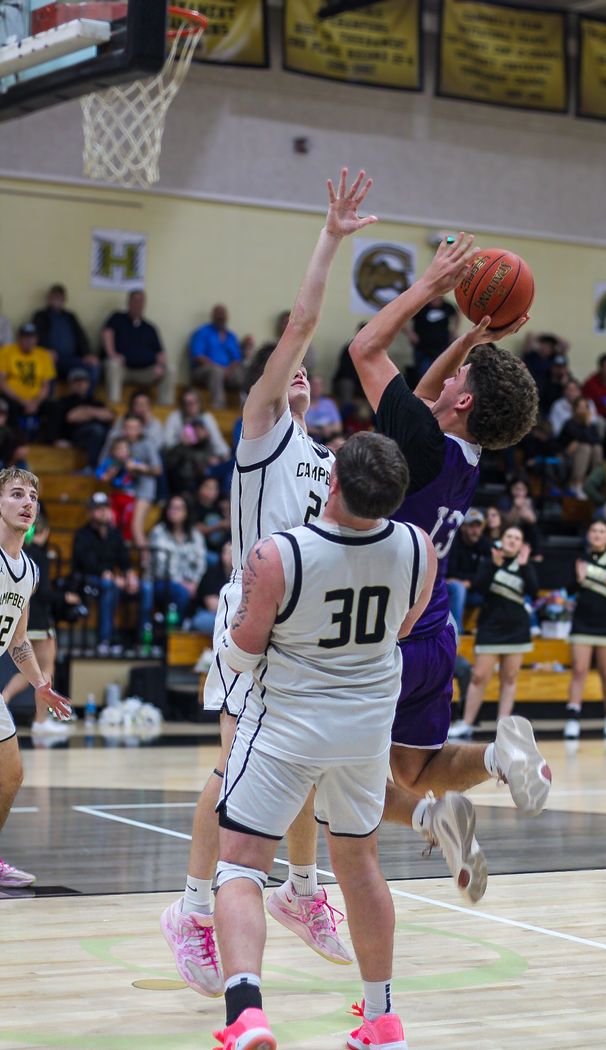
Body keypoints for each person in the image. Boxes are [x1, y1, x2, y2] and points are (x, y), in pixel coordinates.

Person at [161, 168, 380, 998]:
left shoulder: (333, 461)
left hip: (311, 628)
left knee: (304, 768)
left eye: (303, 374)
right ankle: (191, 909)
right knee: (236, 772)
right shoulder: (262, 435)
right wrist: (330, 237)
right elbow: (303, 321)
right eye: (285, 369)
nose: (297, 374)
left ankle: (300, 888)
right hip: (255, 616)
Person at [211, 432, 437, 1050]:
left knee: (240, 863)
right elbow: (402, 627)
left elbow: (243, 651)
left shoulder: (278, 554)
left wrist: (223, 636)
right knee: (360, 864)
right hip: (365, 730)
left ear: (331, 481)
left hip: (286, 727)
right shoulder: (420, 547)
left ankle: (246, 1013)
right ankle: (383, 1018)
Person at [349, 233, 551, 830]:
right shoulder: (464, 453)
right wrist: (466, 341)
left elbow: (366, 349)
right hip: (435, 629)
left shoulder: (422, 441)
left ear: (462, 400)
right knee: (416, 769)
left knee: (330, 766)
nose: (455, 370)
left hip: (386, 628)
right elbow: (419, 401)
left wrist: (432, 286)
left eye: (461, 372)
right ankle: (500, 756)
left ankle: (421, 826)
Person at [0, 467, 72, 889]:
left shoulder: (28, 570)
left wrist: (41, 684)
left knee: (11, 775)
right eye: (15, 494)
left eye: (32, 496)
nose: (27, 502)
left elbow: (19, 640)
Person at [450, 527, 537, 740]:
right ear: (501, 540)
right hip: (490, 627)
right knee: (479, 677)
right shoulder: (490, 560)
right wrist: (494, 566)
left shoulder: (525, 565)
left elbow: (533, 591)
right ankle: (466, 723)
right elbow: (479, 589)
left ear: (521, 544)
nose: (512, 540)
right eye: (509, 536)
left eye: (517, 537)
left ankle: (503, 726)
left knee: (509, 678)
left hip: (516, 629)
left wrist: (525, 566)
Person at [1, 514, 65, 738]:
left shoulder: (22, 556)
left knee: (31, 668)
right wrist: (66, 598)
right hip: (37, 619)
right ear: (45, 532)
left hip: (23, 616)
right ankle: (41, 720)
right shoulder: (40, 559)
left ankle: (5, 698)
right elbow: (46, 593)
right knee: (47, 669)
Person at [563, 520, 606, 740]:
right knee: (579, 671)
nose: (598, 534)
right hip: (582, 622)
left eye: (602, 531)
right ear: (589, 535)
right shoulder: (580, 559)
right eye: (594, 530)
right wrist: (579, 580)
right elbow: (568, 587)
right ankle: (573, 718)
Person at [69, 492, 144, 654]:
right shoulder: (82, 535)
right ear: (89, 512)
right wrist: (108, 574)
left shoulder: (115, 534)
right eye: (98, 509)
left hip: (111, 580)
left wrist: (130, 576)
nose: (103, 512)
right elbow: (86, 563)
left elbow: (124, 559)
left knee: (146, 588)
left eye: (106, 508)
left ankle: (142, 639)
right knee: (109, 585)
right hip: (86, 580)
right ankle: (105, 639)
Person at [101, 290, 174, 405]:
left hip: (145, 371)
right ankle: (114, 406)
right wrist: (112, 354)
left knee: (170, 369)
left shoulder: (150, 327)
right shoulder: (117, 318)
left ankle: (165, 407)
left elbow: (161, 353)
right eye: (135, 301)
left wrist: (160, 365)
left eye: (141, 302)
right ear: (128, 303)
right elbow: (107, 333)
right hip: (123, 369)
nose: (138, 304)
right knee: (112, 364)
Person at [145, 495, 207, 624]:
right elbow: (162, 566)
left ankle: (196, 626)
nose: (174, 511)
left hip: (190, 583)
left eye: (179, 508)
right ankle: (177, 631)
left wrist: (195, 583)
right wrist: (183, 584)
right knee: (181, 593)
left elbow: (201, 562)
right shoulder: (159, 532)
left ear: (186, 512)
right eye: (171, 507)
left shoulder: (195, 535)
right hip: (162, 582)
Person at [32, 283, 98, 386]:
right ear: (49, 298)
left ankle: (86, 399)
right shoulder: (40, 316)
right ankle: (50, 401)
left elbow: (81, 336)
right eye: (54, 296)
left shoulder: (70, 316)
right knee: (48, 367)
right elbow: (36, 336)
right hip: (50, 358)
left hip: (71, 359)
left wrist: (87, 354)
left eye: (60, 297)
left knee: (93, 366)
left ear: (64, 299)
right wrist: (46, 350)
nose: (57, 299)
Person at [50, 367, 114, 469]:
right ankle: (92, 466)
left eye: (83, 381)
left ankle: (110, 467)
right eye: (76, 381)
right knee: (96, 430)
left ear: (88, 384)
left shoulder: (94, 401)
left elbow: (109, 415)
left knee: (110, 432)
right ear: (70, 384)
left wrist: (86, 410)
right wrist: (95, 413)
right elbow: (72, 417)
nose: (80, 384)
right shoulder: (64, 401)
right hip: (75, 436)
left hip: (97, 434)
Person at [0, 323, 56, 433]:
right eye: (25, 337)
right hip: (13, 398)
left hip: (35, 400)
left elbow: (46, 386)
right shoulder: (6, 352)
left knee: (54, 407)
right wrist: (22, 401)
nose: (28, 341)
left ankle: (49, 441)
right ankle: (14, 440)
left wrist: (35, 402)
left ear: (36, 339)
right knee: (7, 406)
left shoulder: (43, 355)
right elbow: (1, 382)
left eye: (31, 337)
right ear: (19, 338)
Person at [189, 304, 247, 409]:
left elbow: (237, 359)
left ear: (227, 317)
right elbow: (198, 356)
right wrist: (220, 368)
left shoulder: (231, 336)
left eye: (223, 314)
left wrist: (229, 369)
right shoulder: (203, 332)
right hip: (203, 370)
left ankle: (245, 407)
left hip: (228, 372)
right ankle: (218, 407)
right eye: (218, 313)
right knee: (217, 371)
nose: (220, 316)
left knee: (244, 372)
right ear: (213, 316)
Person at [445, 509, 490, 630]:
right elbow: (450, 572)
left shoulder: (485, 544)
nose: (475, 531)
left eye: (478, 526)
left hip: (475, 591)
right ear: (463, 527)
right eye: (471, 526)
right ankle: (456, 632)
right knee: (458, 588)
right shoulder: (453, 542)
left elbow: (486, 574)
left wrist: (470, 583)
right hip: (453, 589)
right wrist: (468, 581)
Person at [162, 388, 229, 460]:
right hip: (181, 458)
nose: (191, 406)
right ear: (182, 404)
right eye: (187, 403)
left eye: (194, 402)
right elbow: (167, 442)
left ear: (199, 403)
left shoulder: (206, 417)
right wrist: (181, 442)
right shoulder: (175, 417)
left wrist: (223, 454)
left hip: (202, 457)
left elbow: (217, 440)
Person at [559, 396, 603, 498]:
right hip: (567, 455)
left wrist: (587, 426)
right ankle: (576, 484)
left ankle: (595, 482)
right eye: (580, 407)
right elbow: (580, 437)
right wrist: (586, 427)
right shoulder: (569, 423)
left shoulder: (591, 425)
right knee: (585, 447)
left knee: (597, 448)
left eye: (585, 407)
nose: (583, 410)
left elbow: (597, 441)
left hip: (587, 454)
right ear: (574, 409)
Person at [407, 294, 459, 378]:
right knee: (424, 375)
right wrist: (410, 334)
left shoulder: (447, 306)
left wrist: (454, 331)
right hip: (423, 348)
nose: (436, 300)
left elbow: (457, 314)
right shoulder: (421, 307)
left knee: (443, 374)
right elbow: (404, 317)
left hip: (442, 348)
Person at [192, 542, 233, 636]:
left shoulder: (244, 576)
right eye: (228, 553)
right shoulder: (211, 573)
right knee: (202, 621)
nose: (231, 556)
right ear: (222, 555)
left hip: (232, 616)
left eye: (233, 553)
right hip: (209, 614)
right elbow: (212, 605)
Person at [304, 374, 342, 441]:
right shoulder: (303, 403)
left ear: (323, 388)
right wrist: (320, 431)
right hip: (309, 438)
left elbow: (338, 427)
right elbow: (300, 426)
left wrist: (328, 429)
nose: (317, 388)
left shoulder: (329, 403)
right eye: (314, 385)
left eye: (319, 385)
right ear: (308, 386)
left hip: (329, 437)